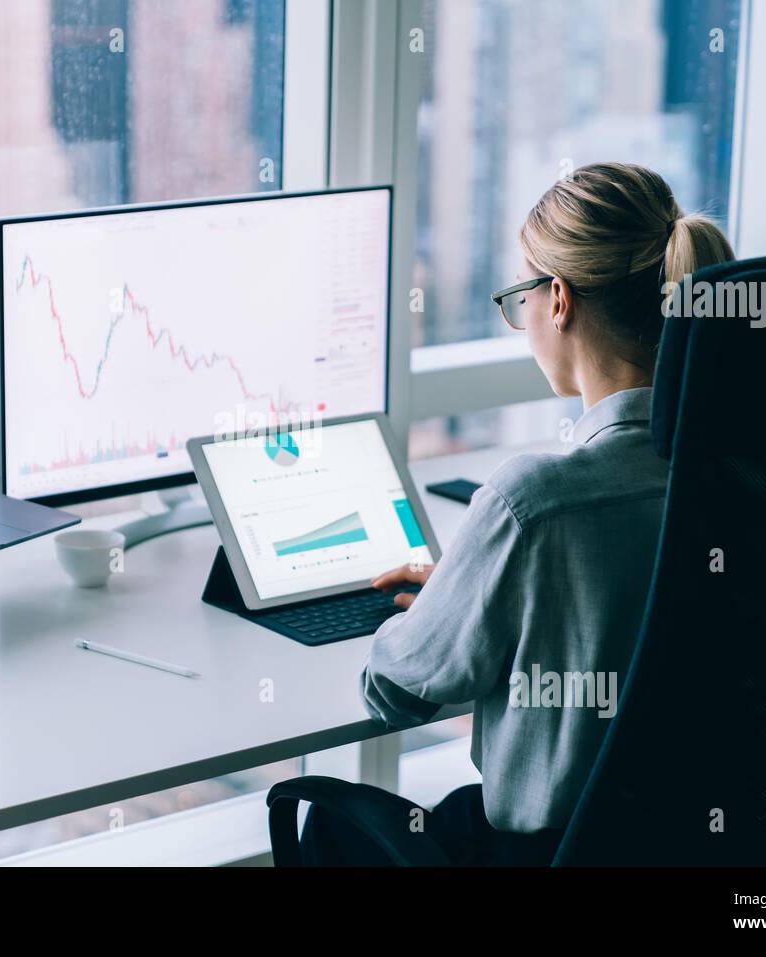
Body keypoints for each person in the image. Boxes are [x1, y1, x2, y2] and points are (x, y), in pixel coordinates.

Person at [300, 162, 736, 866]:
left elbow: (395, 692)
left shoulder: (533, 503)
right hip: (703, 843)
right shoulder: (751, 472)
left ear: (558, 299)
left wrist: (457, 600)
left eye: (520, 297)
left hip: (553, 853)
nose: (521, 319)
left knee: (328, 825)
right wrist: (493, 586)